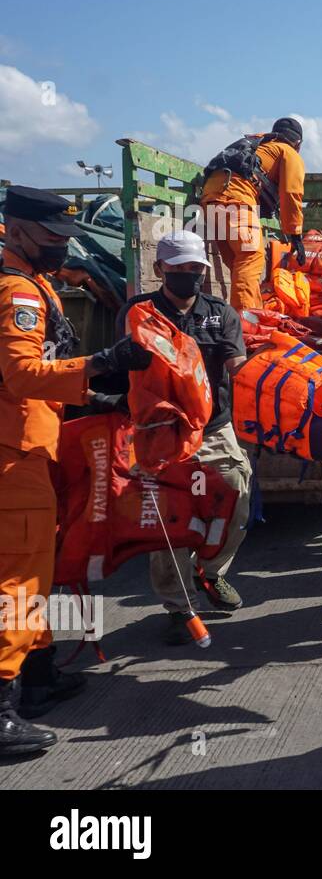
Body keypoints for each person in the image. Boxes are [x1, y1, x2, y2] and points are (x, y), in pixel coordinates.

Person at [0, 187, 152, 755]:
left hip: (27, 444)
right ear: (16, 231)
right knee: (16, 579)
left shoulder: (28, 281)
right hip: (11, 453)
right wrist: (102, 363)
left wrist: (94, 392)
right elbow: (21, 375)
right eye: (51, 238)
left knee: (36, 570)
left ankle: (36, 675)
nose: (60, 248)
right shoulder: (17, 290)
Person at [105, 231, 253, 644]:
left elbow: (237, 364)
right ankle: (178, 606)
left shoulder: (220, 313)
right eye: (180, 269)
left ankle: (212, 573)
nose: (190, 276)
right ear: (160, 271)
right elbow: (123, 364)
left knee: (236, 495)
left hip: (213, 425)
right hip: (160, 433)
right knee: (166, 520)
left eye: (196, 269)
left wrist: (271, 377)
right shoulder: (139, 313)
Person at [200, 116, 307, 311]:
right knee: (251, 256)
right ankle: (247, 325)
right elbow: (291, 193)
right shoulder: (288, 152)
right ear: (298, 143)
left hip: (210, 199)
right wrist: (296, 234)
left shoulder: (260, 146)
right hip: (234, 198)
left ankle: (254, 313)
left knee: (240, 266)